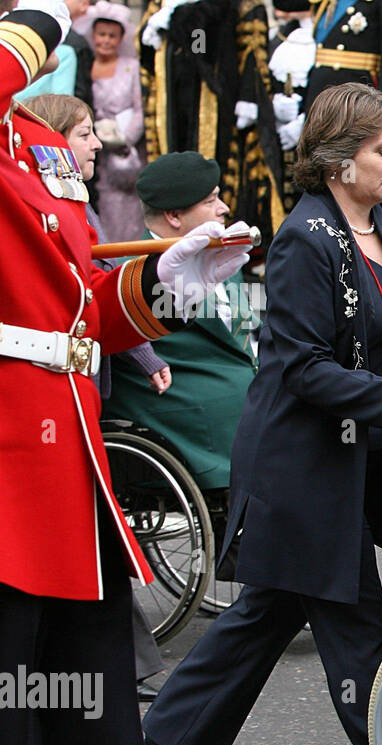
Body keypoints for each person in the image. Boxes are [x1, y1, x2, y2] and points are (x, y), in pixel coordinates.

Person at [140, 84, 382, 745]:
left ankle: (173, 731)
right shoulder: (304, 238)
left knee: (269, 608)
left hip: (366, 461)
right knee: (354, 625)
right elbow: (301, 367)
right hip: (303, 467)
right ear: (337, 161)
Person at [1, 0, 248, 745]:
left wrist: (162, 280)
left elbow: (69, 313)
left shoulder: (31, 144)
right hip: (5, 498)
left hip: (68, 491)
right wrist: (33, 25)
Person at [20, 91, 172, 702]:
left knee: (93, 534)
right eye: (82, 135)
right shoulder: (55, 208)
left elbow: (100, 293)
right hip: (49, 396)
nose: (93, 145)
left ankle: (113, 662)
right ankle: (114, 663)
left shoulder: (78, 207)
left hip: (84, 386)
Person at [101, 152, 258, 492]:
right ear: (173, 216)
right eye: (211, 200)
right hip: (194, 424)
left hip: (245, 406)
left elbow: (246, 334)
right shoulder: (132, 274)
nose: (224, 209)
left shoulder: (221, 253)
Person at [138, 0, 285, 243]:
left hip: (216, 99)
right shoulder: (160, 5)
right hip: (172, 98)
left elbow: (243, 52)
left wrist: (248, 96)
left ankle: (217, 233)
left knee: (217, 167)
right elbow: (146, 51)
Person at [82, 1, 141, 241]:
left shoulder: (132, 67)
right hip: (93, 150)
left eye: (112, 36)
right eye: (101, 34)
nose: (105, 40)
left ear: (121, 38)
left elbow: (140, 109)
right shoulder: (86, 65)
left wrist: (123, 139)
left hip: (123, 154)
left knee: (124, 212)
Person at [267, 0, 317, 214]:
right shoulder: (277, 39)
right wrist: (273, 107)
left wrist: (306, 121)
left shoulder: (325, 34)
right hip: (278, 135)